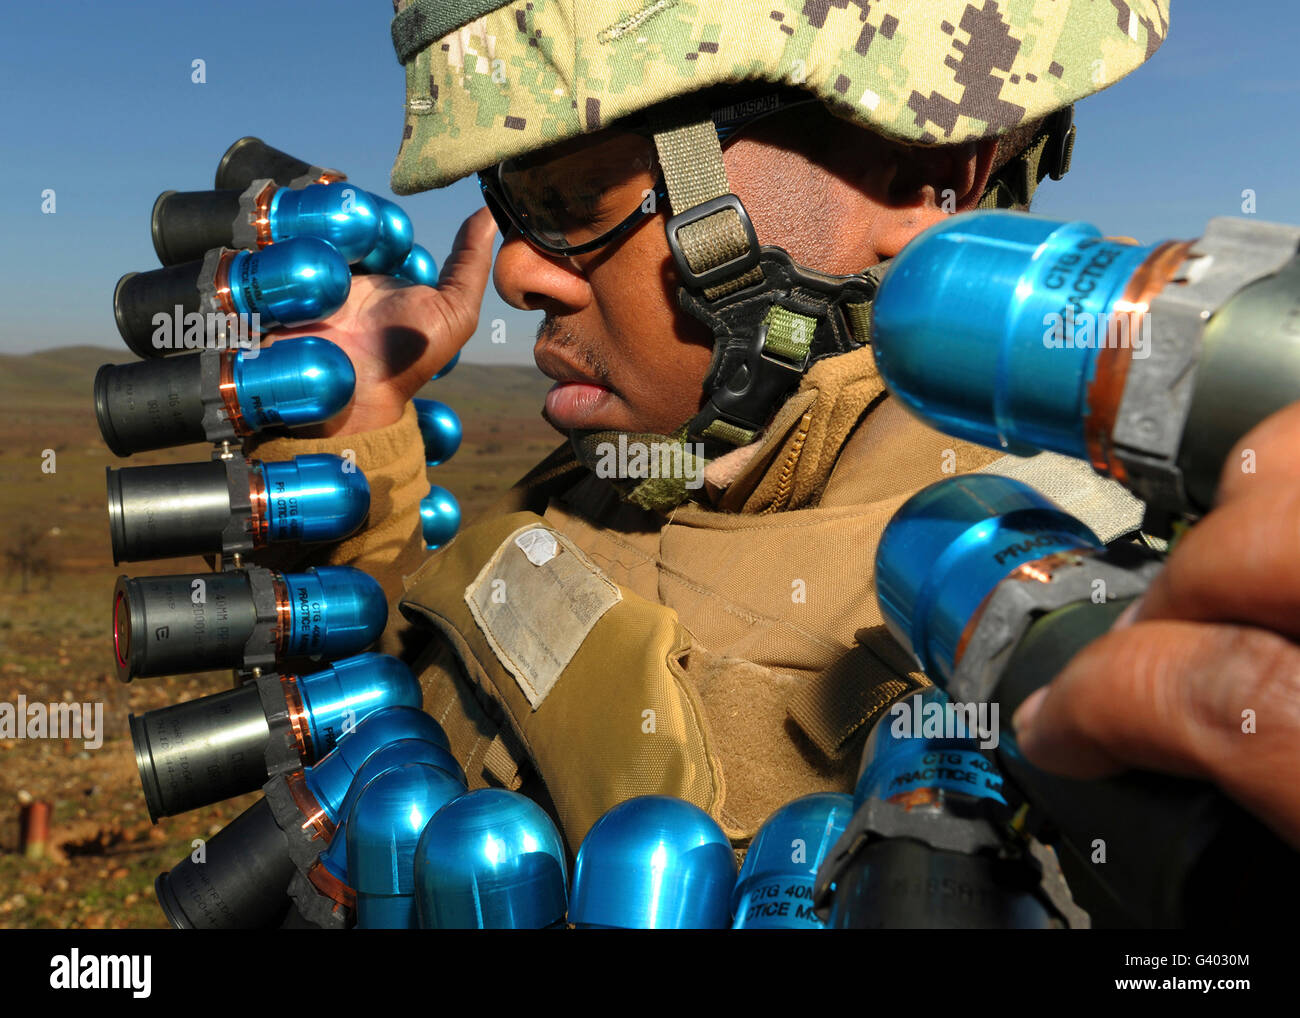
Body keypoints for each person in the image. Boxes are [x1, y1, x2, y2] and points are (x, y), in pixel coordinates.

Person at [252, 0, 1300, 856]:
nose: (520, 271)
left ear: (912, 163)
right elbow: (403, 714)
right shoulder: (636, 480)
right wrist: (355, 445)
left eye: (576, 193)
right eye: (514, 198)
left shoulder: (1084, 619)